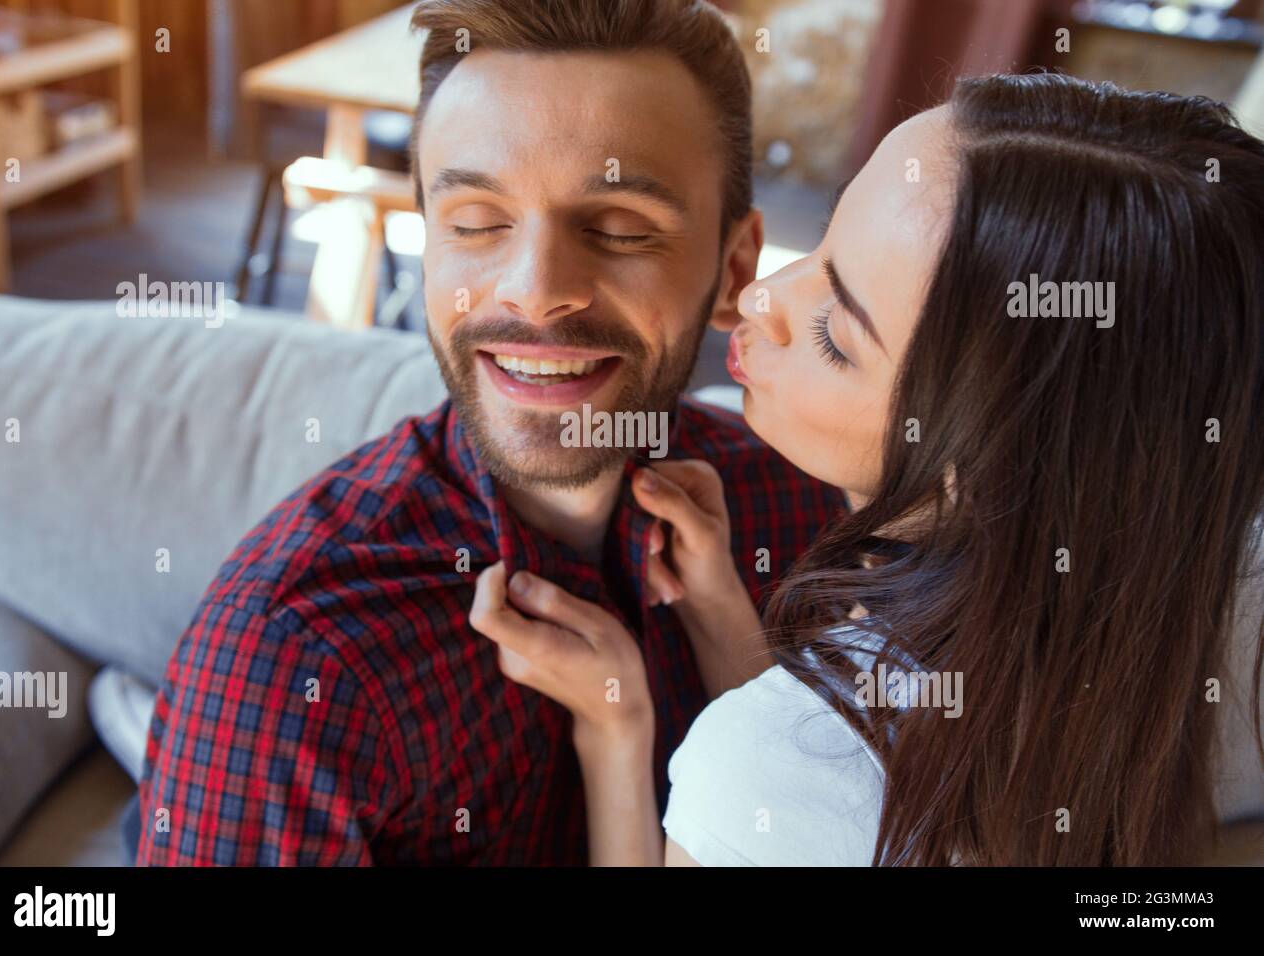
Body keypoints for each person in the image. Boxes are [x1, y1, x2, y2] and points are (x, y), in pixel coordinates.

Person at [471, 72, 1264, 866]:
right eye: (825, 239)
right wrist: (728, 629)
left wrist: (616, 728)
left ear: (982, 469)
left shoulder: (770, 772)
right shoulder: (1195, 603)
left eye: (835, 335)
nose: (757, 299)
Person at [134, 0, 843, 865]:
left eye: (619, 229)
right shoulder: (291, 662)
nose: (536, 290)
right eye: (476, 222)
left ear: (736, 271)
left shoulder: (810, 514)